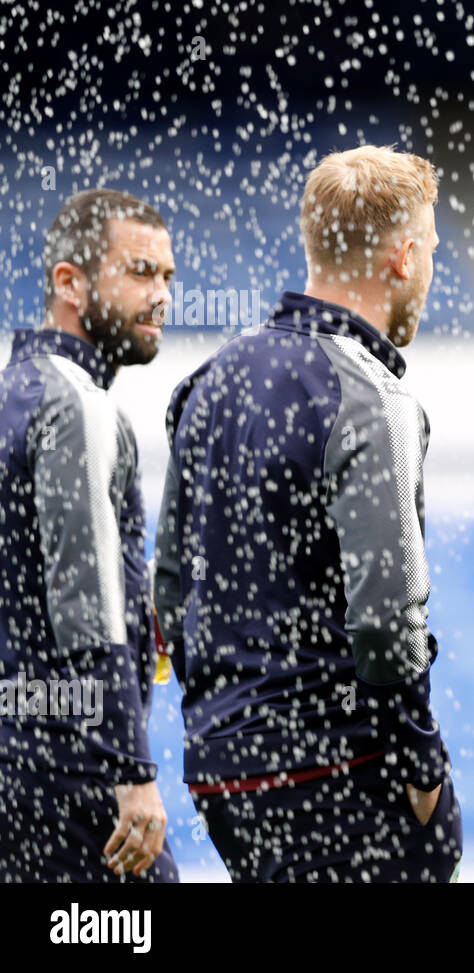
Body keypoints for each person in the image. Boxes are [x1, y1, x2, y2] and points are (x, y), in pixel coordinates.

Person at [153, 145, 461, 882]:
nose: (429, 272)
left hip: (227, 775)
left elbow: (169, 590)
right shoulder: (373, 397)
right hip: (340, 771)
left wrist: (219, 728)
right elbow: (388, 621)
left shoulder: (209, 380)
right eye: (430, 252)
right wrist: (421, 767)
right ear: (402, 257)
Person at [0, 188, 179, 882]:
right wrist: (131, 770)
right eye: (140, 272)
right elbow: (89, 615)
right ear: (69, 283)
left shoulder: (15, 395)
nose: (160, 295)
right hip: (70, 779)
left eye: (167, 277)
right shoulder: (77, 405)